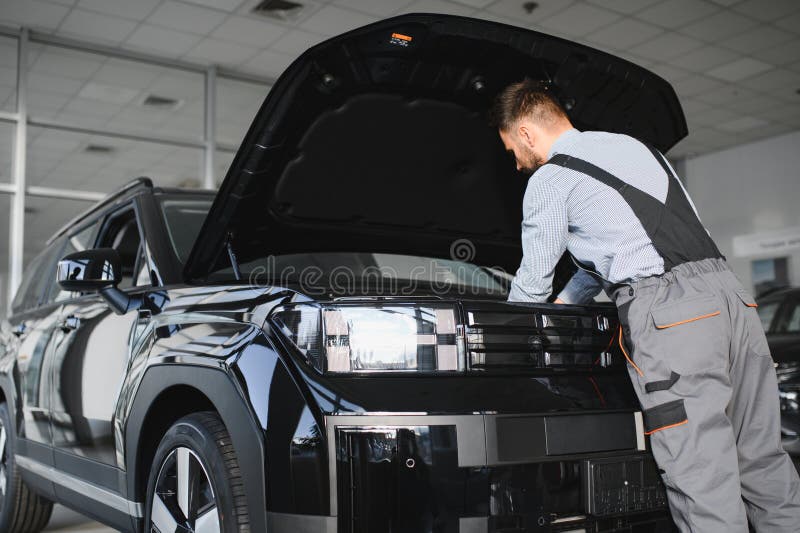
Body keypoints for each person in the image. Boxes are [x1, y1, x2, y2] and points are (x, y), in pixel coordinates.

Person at [490, 78, 800, 531]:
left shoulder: (550, 179)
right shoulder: (637, 149)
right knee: (764, 463)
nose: (516, 164)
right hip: (732, 300)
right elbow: (624, 244)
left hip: (673, 317)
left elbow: (531, 284)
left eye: (511, 151)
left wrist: (508, 352)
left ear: (526, 133)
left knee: (702, 475)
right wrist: (566, 302)